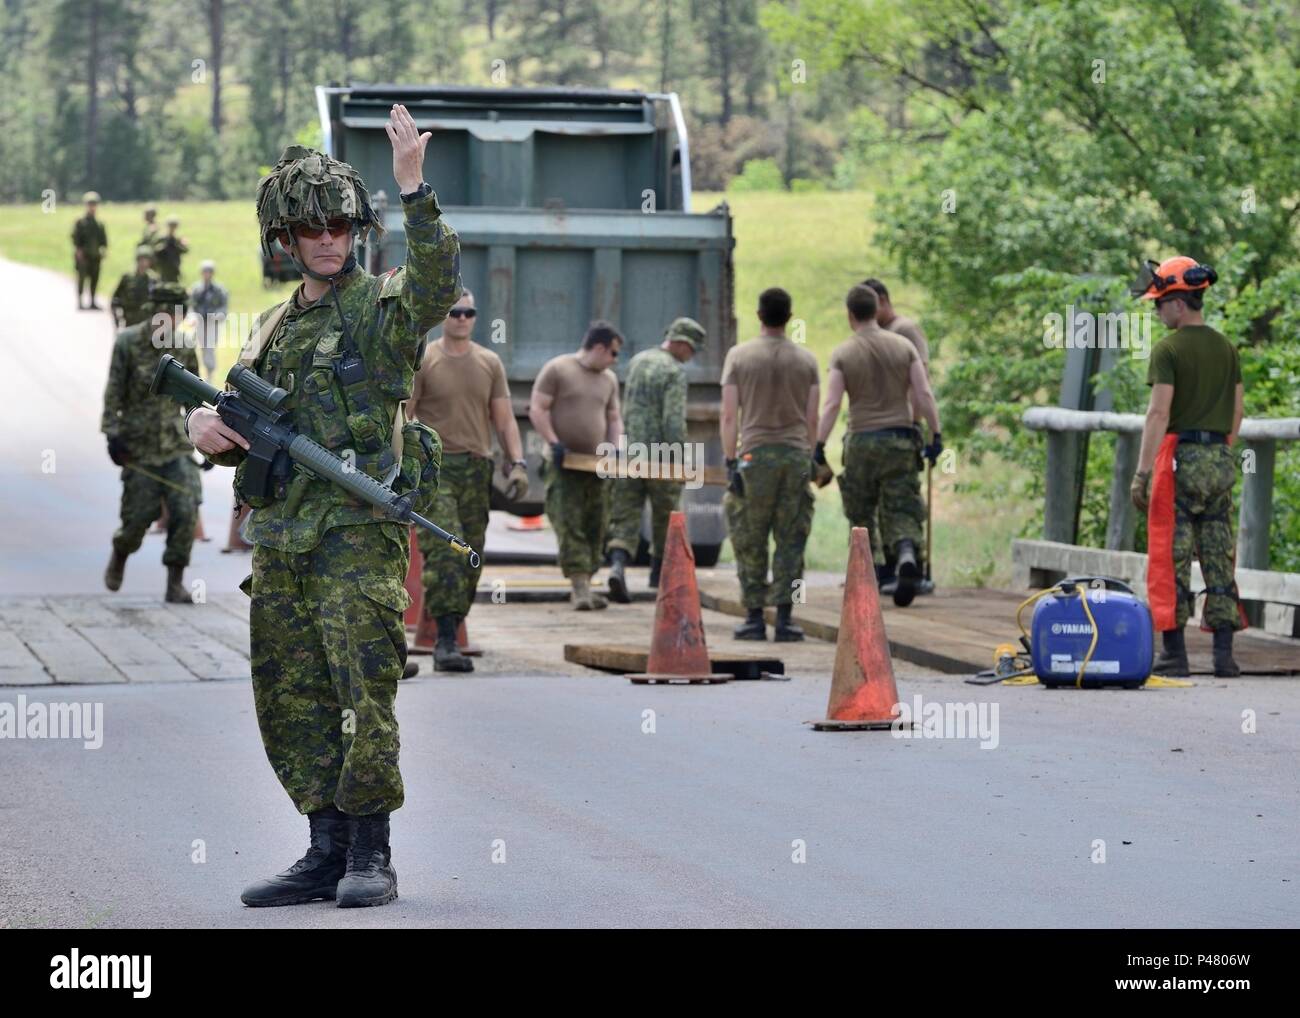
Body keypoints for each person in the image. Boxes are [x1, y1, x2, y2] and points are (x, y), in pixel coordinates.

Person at [186, 107, 462, 909]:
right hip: (281, 544)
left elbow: (437, 285)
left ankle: (371, 853)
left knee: (362, 693)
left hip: (354, 537)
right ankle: (322, 848)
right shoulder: (271, 328)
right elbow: (229, 422)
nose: (329, 240)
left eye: (340, 225)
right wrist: (202, 427)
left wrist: (413, 188)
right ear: (286, 240)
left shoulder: (379, 312)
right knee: (290, 696)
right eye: (312, 230)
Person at [1130, 256, 1243, 678]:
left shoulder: (1169, 350)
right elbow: (1238, 411)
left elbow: (1158, 414)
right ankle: (1224, 656)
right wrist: (1220, 451)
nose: (1157, 311)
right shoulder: (1226, 347)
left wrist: (1142, 474)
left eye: (1160, 303)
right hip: (1219, 459)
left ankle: (1174, 654)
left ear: (1179, 303)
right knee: (1218, 553)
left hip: (1179, 461)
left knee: (1169, 554)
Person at [408, 287, 526, 671]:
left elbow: (504, 419)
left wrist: (518, 463)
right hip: (435, 469)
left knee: (472, 554)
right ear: (443, 316)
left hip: (477, 469)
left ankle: (452, 628)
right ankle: (444, 641)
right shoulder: (425, 359)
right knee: (447, 547)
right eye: (455, 312)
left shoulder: (489, 362)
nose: (461, 318)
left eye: (468, 313)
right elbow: (406, 415)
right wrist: (405, 463)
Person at [816, 284, 941, 607]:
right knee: (902, 505)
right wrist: (935, 434)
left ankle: (866, 573)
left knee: (861, 512)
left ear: (850, 314)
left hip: (861, 440)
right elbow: (923, 393)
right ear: (876, 308)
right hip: (900, 438)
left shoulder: (843, 352)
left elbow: (831, 404)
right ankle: (906, 553)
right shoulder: (903, 347)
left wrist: (817, 444)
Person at [720, 287, 819, 641]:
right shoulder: (806, 360)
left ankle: (754, 617)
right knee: (792, 540)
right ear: (789, 318)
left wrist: (731, 459)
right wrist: (811, 454)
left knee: (750, 537)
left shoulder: (739, 356)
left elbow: (730, 415)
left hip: (754, 456)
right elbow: (812, 418)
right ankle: (788, 619)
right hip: (795, 458)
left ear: (759, 315)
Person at [100, 281, 200, 602]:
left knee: (186, 509)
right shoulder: (128, 343)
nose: (170, 319)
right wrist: (112, 433)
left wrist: (208, 438)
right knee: (137, 519)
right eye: (166, 312)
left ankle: (175, 581)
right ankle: (121, 552)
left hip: (175, 445)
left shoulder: (184, 346)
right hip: (139, 448)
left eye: (177, 314)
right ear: (153, 310)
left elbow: (195, 399)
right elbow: (113, 391)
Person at [605, 317, 703, 600]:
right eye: (692, 349)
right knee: (666, 515)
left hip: (631, 452)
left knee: (626, 513)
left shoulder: (638, 361)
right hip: (662, 456)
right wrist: (679, 457)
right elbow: (673, 420)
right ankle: (660, 577)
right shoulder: (674, 371)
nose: (691, 356)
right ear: (682, 343)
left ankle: (618, 566)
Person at [529, 322, 623, 610]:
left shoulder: (609, 379)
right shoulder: (558, 369)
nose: (615, 359)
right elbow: (538, 408)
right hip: (565, 464)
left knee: (597, 523)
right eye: (614, 353)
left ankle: (588, 582)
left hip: (595, 465)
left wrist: (615, 449)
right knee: (570, 523)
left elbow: (614, 416)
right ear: (599, 347)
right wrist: (554, 442)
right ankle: (579, 586)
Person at [862, 276, 934, 594]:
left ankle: (909, 565)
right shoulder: (875, 334)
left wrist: (919, 425)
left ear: (882, 302)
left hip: (902, 424)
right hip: (885, 426)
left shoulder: (904, 330)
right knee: (887, 501)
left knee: (902, 500)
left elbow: (922, 381)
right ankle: (890, 566)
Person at [189, 259, 230, 380]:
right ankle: (206, 371)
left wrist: (217, 316)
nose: (207, 274)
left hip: (212, 323)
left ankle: (210, 373)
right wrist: (192, 317)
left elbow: (223, 306)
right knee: (203, 347)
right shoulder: (196, 289)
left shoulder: (219, 290)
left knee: (209, 347)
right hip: (201, 322)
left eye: (209, 272)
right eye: (205, 272)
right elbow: (191, 305)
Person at [72, 191, 107, 310]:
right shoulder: (80, 222)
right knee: (81, 279)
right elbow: (75, 238)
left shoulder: (99, 224)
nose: (92, 206)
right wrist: (79, 251)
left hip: (95, 256)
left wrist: (103, 250)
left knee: (94, 279)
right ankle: (80, 301)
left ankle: (92, 301)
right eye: (90, 204)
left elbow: (103, 240)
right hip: (84, 256)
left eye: (94, 204)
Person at [111, 245, 159, 329]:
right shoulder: (127, 278)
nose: (144, 263)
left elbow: (159, 302)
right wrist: (117, 316)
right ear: (137, 260)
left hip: (147, 323)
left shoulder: (153, 279)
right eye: (142, 260)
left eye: (146, 260)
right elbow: (115, 299)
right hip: (130, 321)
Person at [153, 215, 189, 283]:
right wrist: (164, 246)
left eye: (174, 226)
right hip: (163, 269)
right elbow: (154, 251)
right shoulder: (161, 238)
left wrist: (181, 244)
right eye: (171, 225)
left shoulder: (178, 239)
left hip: (174, 270)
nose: (172, 228)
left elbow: (185, 250)